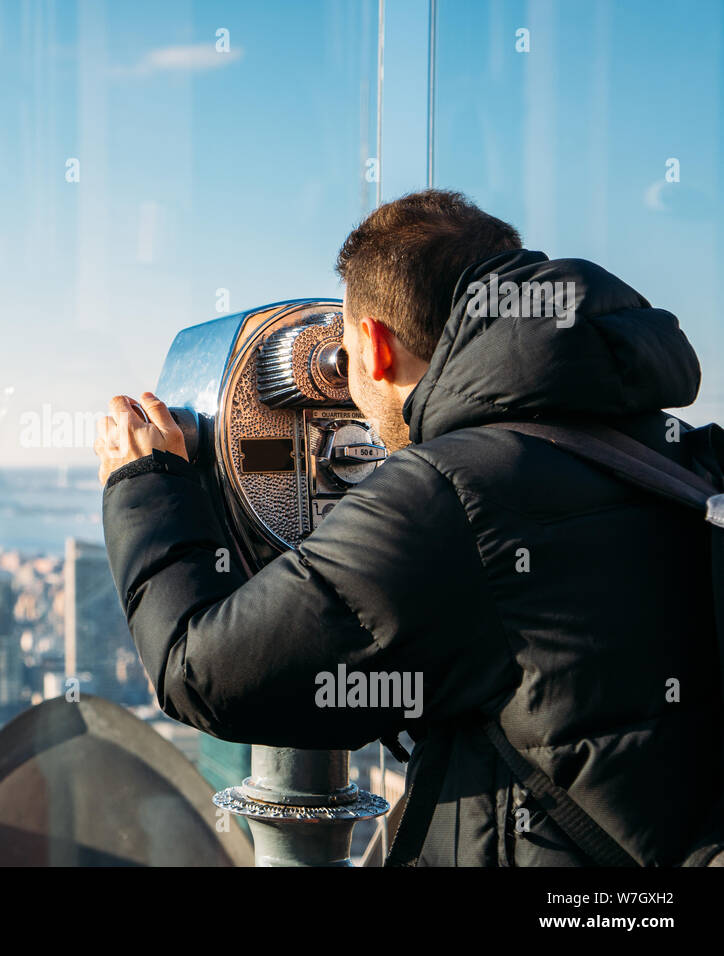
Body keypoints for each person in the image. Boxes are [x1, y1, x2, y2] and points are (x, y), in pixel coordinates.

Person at [94, 189, 722, 865]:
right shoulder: (690, 456)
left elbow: (202, 674)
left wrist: (145, 487)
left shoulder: (448, 496)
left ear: (372, 345)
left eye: (343, 359)